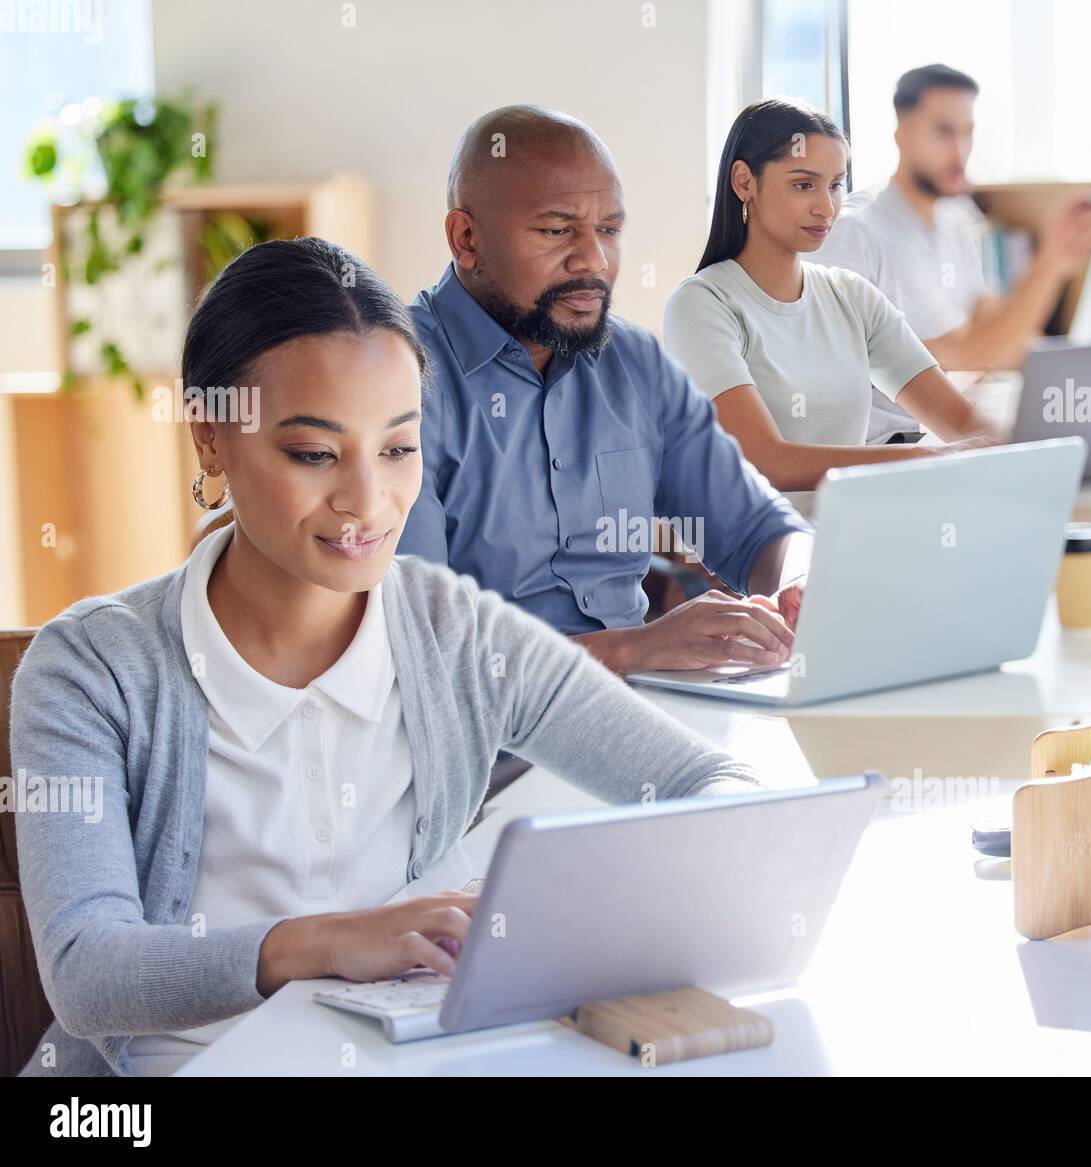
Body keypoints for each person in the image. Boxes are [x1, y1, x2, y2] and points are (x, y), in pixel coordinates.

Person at [11, 237, 764, 1078]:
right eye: (313, 453)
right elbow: (88, 971)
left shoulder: (455, 630)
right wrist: (327, 942)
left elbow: (717, 789)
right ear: (212, 440)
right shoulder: (90, 667)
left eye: (399, 448)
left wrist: (581, 917)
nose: (368, 502)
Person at [395, 105, 814, 674]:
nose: (593, 259)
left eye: (609, 231)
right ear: (466, 239)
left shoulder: (634, 362)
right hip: (487, 743)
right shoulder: (393, 377)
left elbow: (756, 528)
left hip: (638, 711)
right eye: (556, 230)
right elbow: (417, 645)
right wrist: (635, 649)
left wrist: (798, 579)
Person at [662, 99, 998, 517]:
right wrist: (920, 460)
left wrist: (1030, 447)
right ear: (744, 181)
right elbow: (764, 458)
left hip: (844, 540)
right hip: (744, 564)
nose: (827, 207)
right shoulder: (701, 304)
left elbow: (960, 421)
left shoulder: (852, 297)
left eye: (836, 185)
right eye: (804, 185)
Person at [810, 64, 1091, 439]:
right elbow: (967, 353)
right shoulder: (857, 231)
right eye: (944, 132)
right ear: (902, 135)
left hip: (942, 431)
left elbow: (989, 322)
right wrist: (1051, 263)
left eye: (967, 133)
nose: (960, 150)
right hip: (887, 447)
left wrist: (1084, 376)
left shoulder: (957, 215)